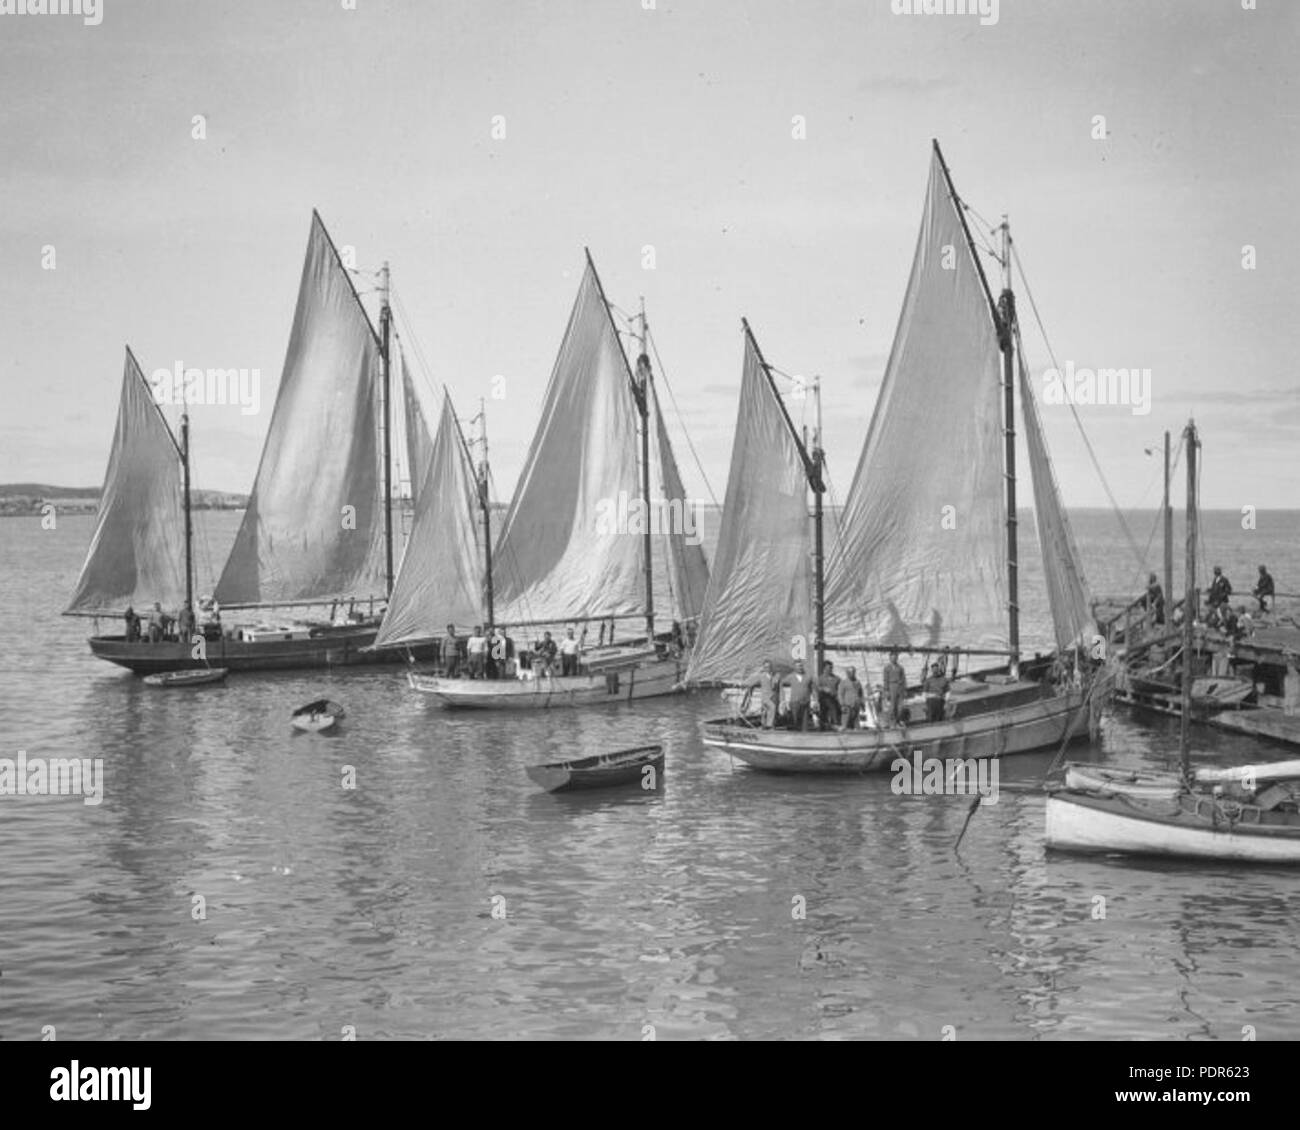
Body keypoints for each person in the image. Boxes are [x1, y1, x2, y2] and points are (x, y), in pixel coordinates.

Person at [784, 660, 814, 731]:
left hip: (806, 702)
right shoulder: (790, 677)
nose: (800, 667)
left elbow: (813, 688)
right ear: (794, 667)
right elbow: (781, 683)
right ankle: (793, 738)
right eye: (798, 666)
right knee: (794, 722)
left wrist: (814, 700)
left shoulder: (808, 676)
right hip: (795, 702)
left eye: (801, 666)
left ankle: (804, 738)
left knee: (805, 723)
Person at [882, 648, 906, 725]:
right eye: (892, 657)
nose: (894, 659)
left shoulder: (900, 668)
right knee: (892, 706)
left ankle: (899, 720)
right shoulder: (887, 668)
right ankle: (893, 722)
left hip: (900, 686)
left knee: (900, 706)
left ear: (897, 658)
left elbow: (903, 679)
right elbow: (885, 680)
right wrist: (886, 691)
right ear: (890, 658)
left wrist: (904, 689)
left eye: (895, 657)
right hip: (891, 686)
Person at [816, 661, 841, 731]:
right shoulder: (820, 678)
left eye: (831, 668)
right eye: (829, 668)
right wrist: (823, 689)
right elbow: (817, 688)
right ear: (824, 668)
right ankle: (824, 727)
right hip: (824, 699)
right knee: (827, 709)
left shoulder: (836, 678)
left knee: (835, 708)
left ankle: (835, 725)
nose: (830, 669)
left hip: (835, 699)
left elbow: (841, 688)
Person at [837, 666, 864, 731]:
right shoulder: (843, 682)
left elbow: (861, 693)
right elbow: (840, 694)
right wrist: (842, 704)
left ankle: (857, 734)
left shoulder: (857, 682)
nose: (851, 674)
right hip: (847, 705)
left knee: (856, 723)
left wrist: (862, 703)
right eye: (850, 672)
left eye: (853, 672)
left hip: (856, 705)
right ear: (847, 673)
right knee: (844, 724)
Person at [757, 660, 778, 729]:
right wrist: (740, 684)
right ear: (763, 668)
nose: (767, 668)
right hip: (765, 697)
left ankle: (767, 725)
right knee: (772, 708)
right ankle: (768, 725)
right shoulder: (761, 676)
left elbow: (777, 685)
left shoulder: (775, 675)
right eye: (766, 667)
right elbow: (751, 681)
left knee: (768, 711)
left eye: (769, 667)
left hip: (772, 696)